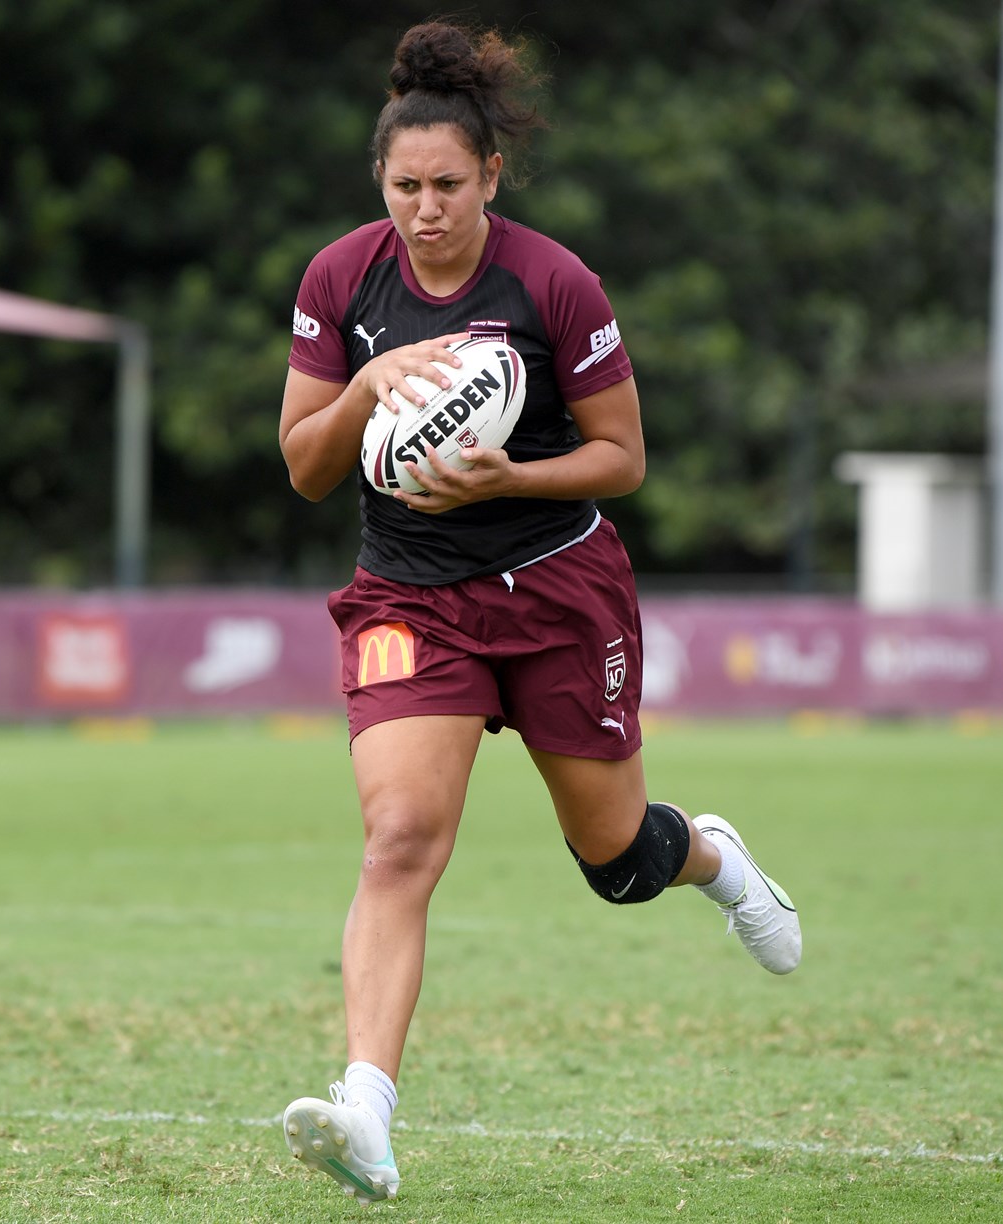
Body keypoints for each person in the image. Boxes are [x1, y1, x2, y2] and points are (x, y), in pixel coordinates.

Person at [279, 19, 801, 1205]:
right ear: (381, 182)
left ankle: (713, 855)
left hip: (559, 587)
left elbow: (622, 460)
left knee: (617, 861)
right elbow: (307, 466)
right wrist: (365, 385)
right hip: (409, 593)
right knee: (401, 837)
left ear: (491, 177)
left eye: (448, 186)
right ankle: (365, 1107)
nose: (426, 209)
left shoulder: (552, 280)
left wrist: (507, 475)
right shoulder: (340, 281)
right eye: (405, 186)